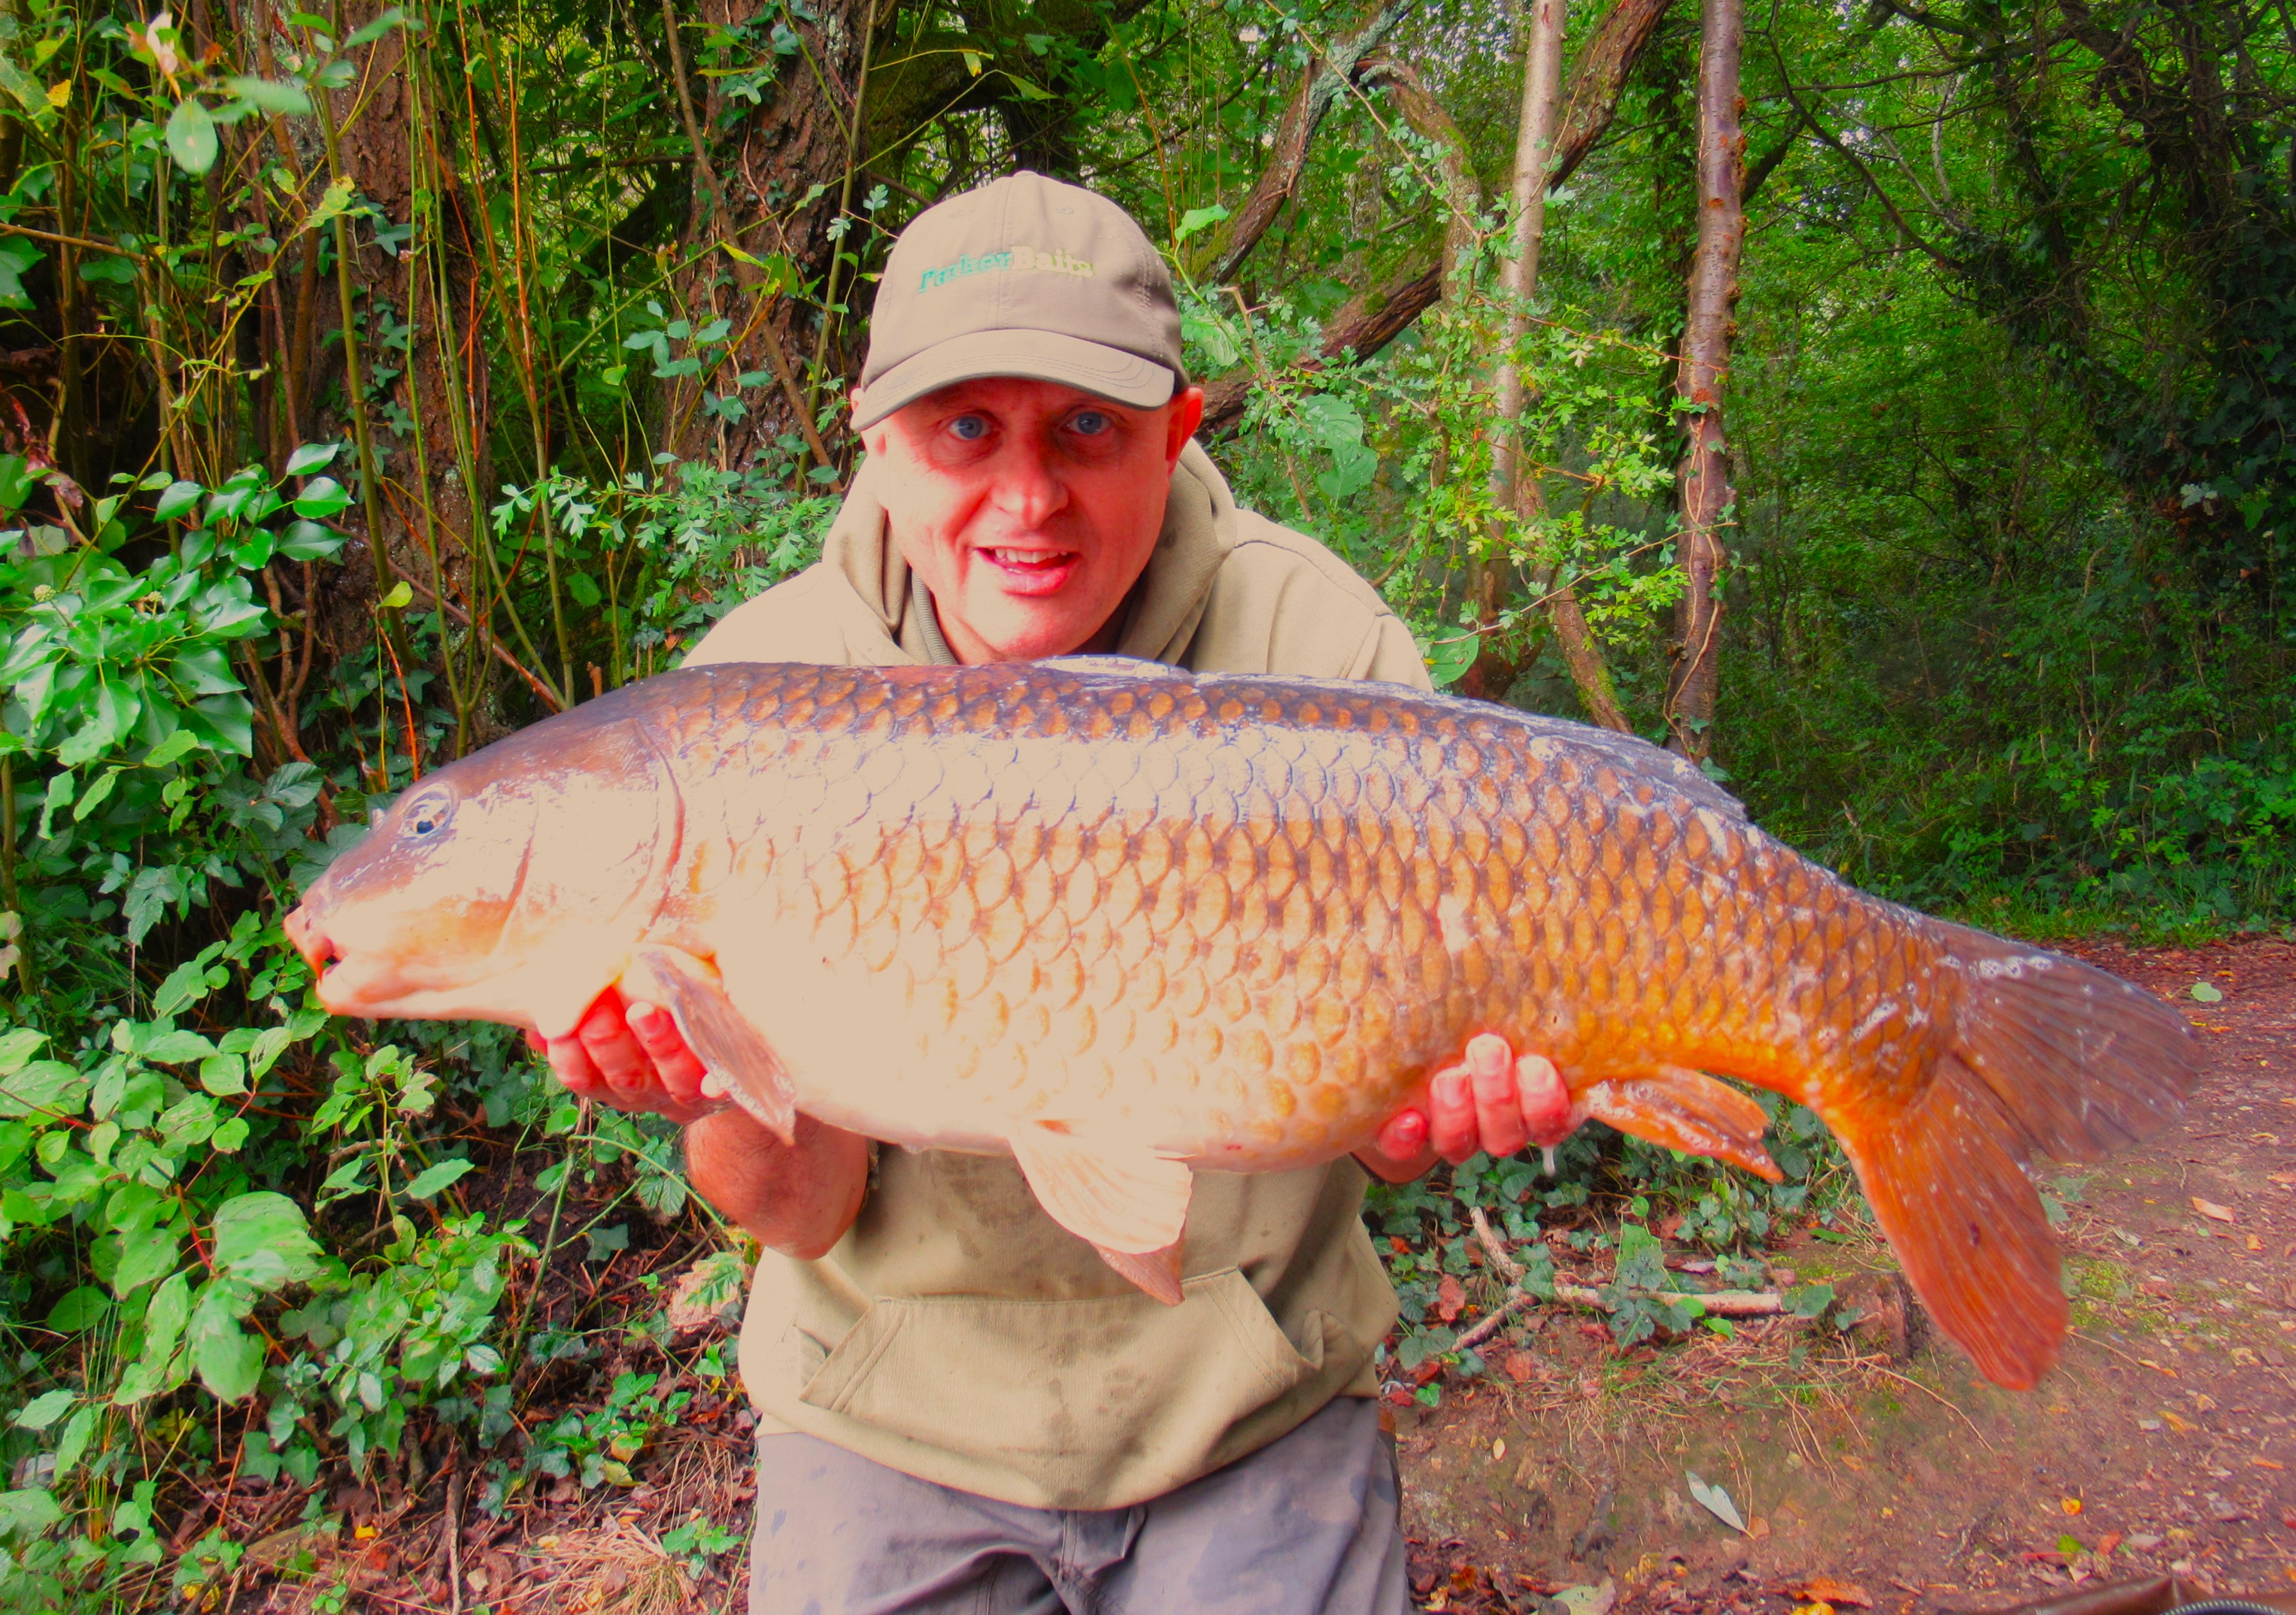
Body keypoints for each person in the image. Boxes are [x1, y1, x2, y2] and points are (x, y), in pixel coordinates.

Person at [532, 171, 1570, 1613]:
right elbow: (804, 1212)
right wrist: (707, 1076)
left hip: (1244, 1399)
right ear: (877, 447)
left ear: (1178, 433)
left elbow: (1386, 1136)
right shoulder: (747, 709)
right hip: (891, 1414)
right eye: (966, 430)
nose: (1028, 497)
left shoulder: (1312, 643)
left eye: (1087, 428)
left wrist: (1443, 1104)